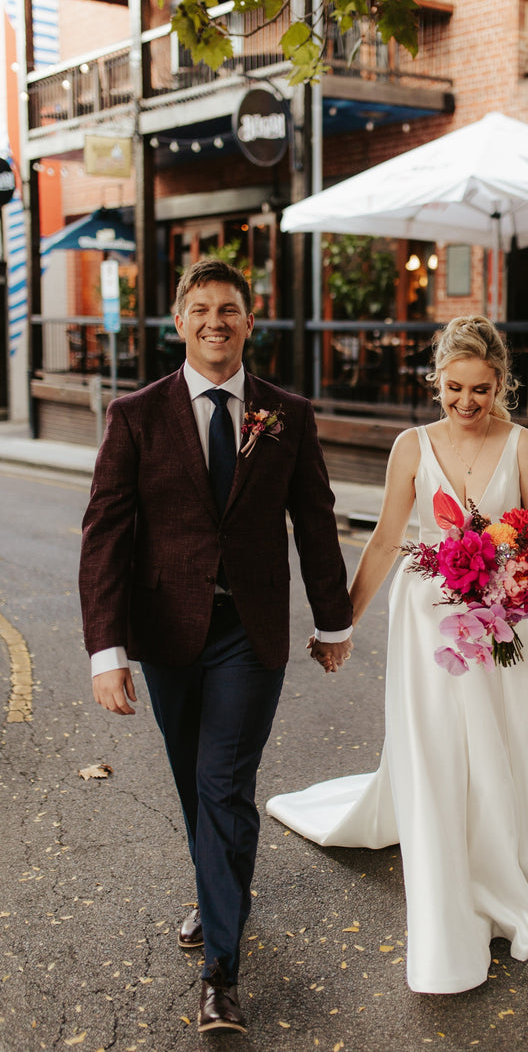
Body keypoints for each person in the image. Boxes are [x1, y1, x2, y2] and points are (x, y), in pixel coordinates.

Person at [267, 315, 528, 995]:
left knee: (501, 732)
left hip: (504, 614)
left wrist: (510, 571)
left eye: (481, 390)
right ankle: (443, 837)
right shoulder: (412, 446)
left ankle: (499, 839)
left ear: (502, 384)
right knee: (438, 733)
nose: (466, 402)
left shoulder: (524, 446)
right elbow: (383, 541)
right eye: (454, 388)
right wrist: (340, 622)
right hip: (429, 616)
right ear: (436, 379)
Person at [79, 259, 353, 1033]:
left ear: (250, 320)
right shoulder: (134, 414)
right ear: (178, 321)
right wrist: (108, 650)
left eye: (229, 309)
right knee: (193, 781)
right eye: (200, 309)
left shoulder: (286, 413)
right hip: (166, 634)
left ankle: (220, 975)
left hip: (249, 632)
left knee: (225, 785)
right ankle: (216, 894)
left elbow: (318, 519)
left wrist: (332, 622)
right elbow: (104, 535)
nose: (215, 322)